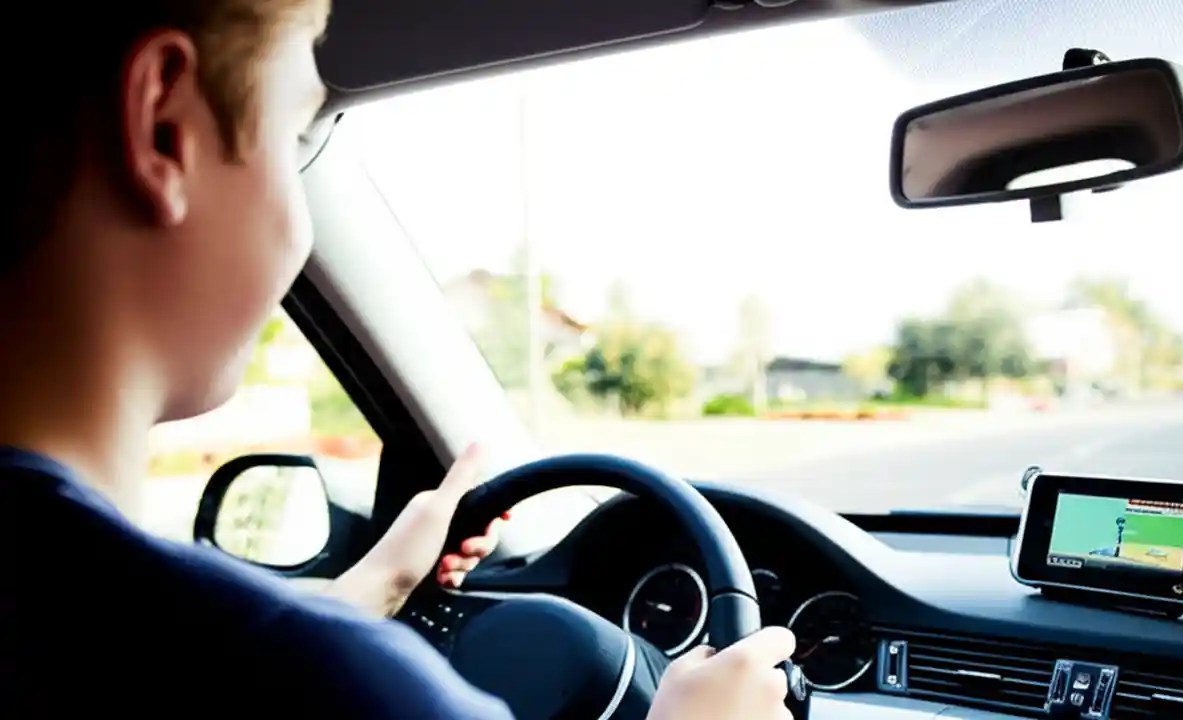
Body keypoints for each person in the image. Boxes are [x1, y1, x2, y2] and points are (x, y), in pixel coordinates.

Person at [0, 1, 797, 717]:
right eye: (292, 135)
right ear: (164, 128)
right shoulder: (337, 683)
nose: (301, 220)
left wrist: (375, 587)